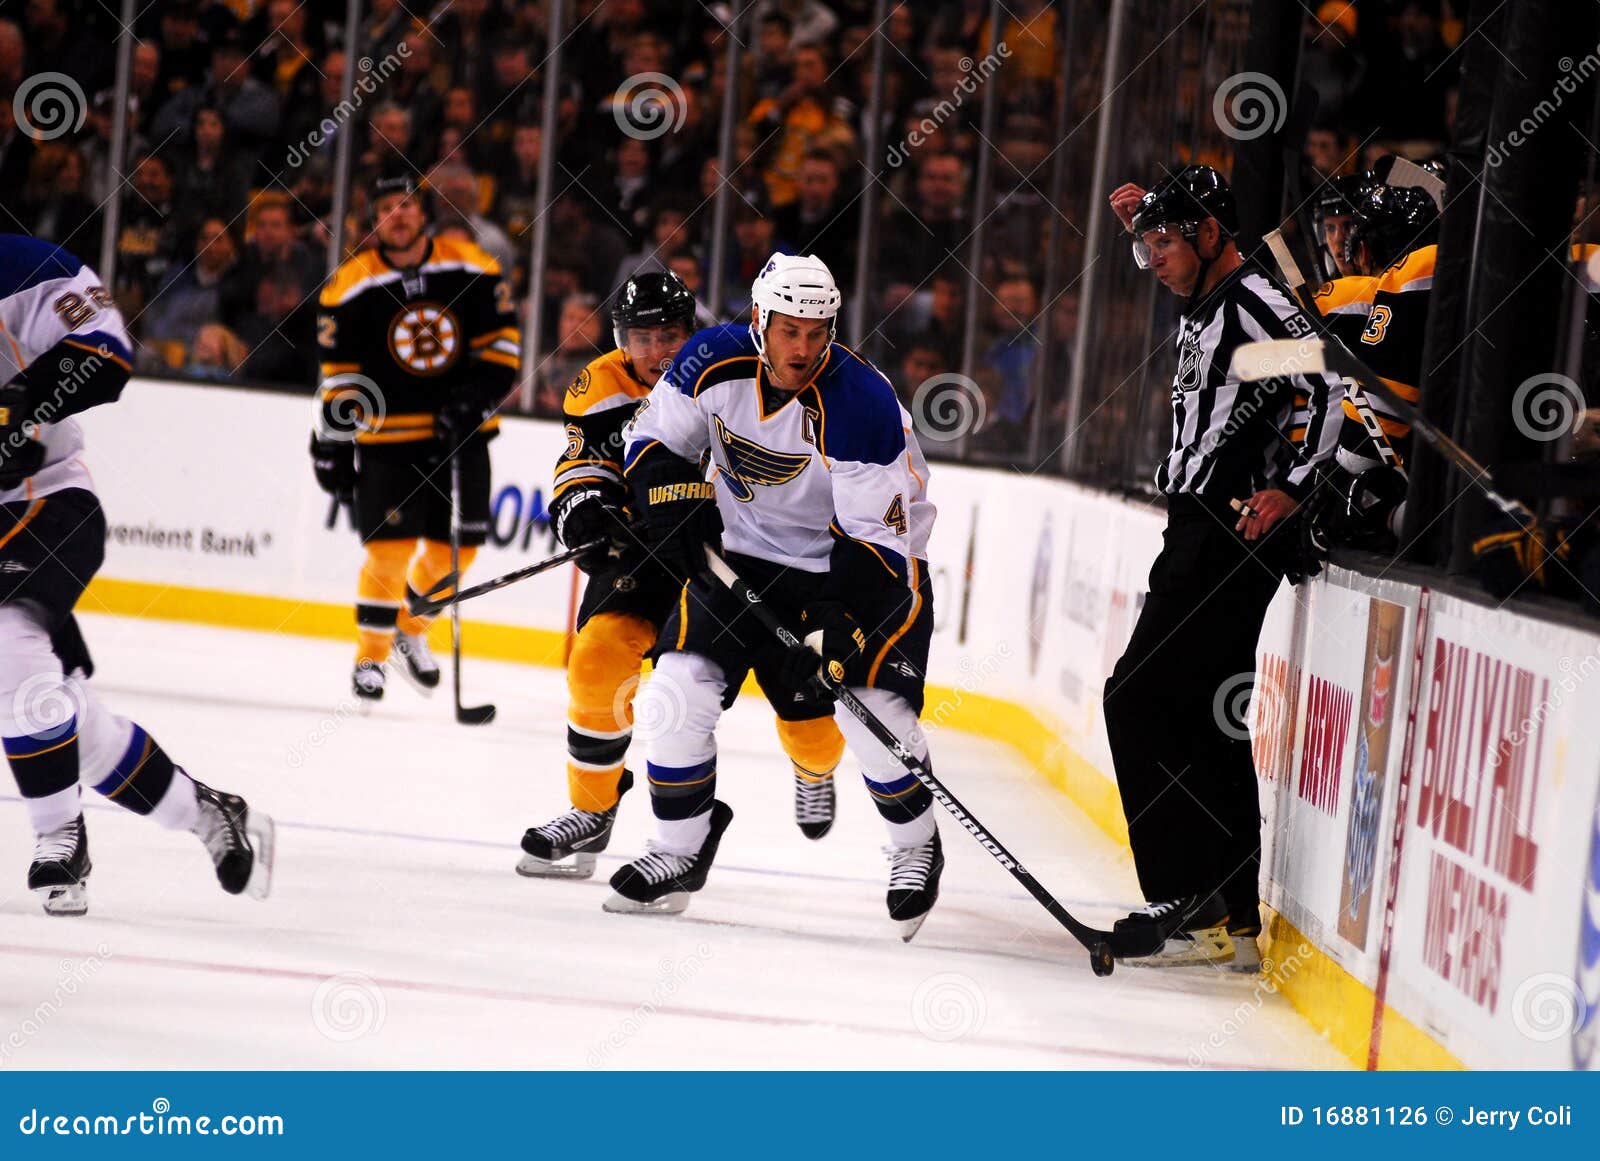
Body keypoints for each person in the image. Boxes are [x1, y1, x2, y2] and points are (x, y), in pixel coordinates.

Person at [609, 254, 942, 939]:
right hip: (743, 559)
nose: (803, 348)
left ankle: (915, 847)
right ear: (759, 320)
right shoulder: (708, 359)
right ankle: (679, 847)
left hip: (859, 567)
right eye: (789, 330)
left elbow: (877, 543)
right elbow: (651, 440)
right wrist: (672, 501)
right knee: (675, 689)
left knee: (869, 712)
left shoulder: (862, 402)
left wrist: (835, 621)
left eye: (817, 332)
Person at [518, 271, 847, 878]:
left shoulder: (729, 365)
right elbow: (582, 463)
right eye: (640, 338)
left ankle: (815, 768)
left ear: (691, 333)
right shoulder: (599, 387)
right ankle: (591, 810)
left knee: (807, 708)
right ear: (620, 339)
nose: (656, 351)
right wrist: (584, 510)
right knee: (595, 659)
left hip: (738, 553)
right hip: (647, 553)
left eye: (669, 335)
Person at [1103, 166, 1344, 968]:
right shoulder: (1209, 299)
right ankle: (1232, 912)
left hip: (1227, 533)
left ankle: (1185, 895)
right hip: (1200, 528)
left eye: (1166, 243)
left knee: (1136, 697)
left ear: (1211, 234)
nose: (1155, 259)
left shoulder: (1252, 301)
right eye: (1148, 248)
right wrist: (1149, 219)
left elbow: (1325, 389)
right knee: (1207, 714)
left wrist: (1290, 489)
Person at [0, 233, 273, 916]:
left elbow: (107, 350)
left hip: (44, 497)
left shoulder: (26, 268)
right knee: (59, 710)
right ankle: (208, 812)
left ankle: (58, 828)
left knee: (12, 640)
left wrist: (22, 401)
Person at [310, 175, 520, 701]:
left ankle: (413, 629)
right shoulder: (350, 284)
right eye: (386, 207)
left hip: (463, 435)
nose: (397, 215)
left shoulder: (471, 265)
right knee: (390, 551)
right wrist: (333, 443)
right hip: (388, 440)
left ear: (423, 213)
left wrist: (473, 399)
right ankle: (371, 658)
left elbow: (502, 348)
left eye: (406, 205)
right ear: (374, 219)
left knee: (460, 551)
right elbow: (340, 376)